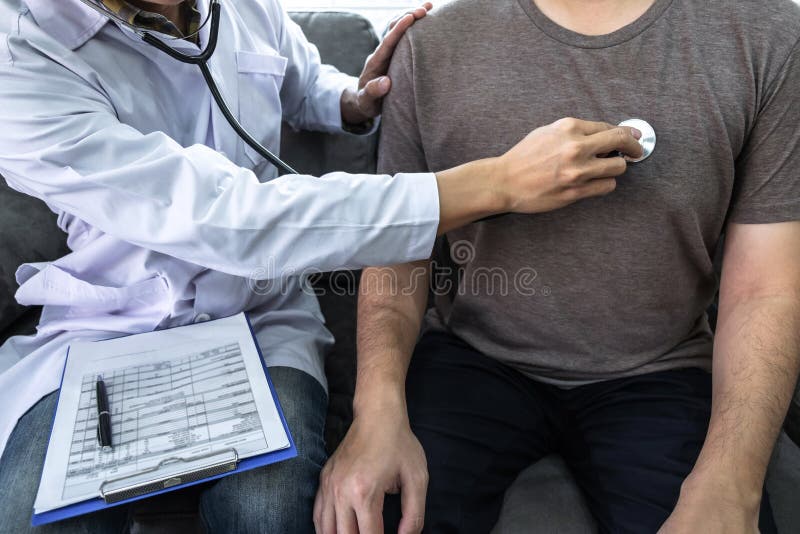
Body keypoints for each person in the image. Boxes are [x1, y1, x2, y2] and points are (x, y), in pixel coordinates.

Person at [0, 0, 646, 532]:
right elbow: (229, 219)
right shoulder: (19, 53)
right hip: (109, 326)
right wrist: (498, 183)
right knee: (38, 516)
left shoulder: (244, 7)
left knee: (268, 512)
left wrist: (356, 101)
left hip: (258, 317)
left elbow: (301, 84)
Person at [316, 0, 800, 533]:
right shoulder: (430, 45)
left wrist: (732, 484)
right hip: (472, 357)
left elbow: (765, 289)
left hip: (661, 367)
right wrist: (375, 413)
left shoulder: (769, 36)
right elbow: (397, 252)